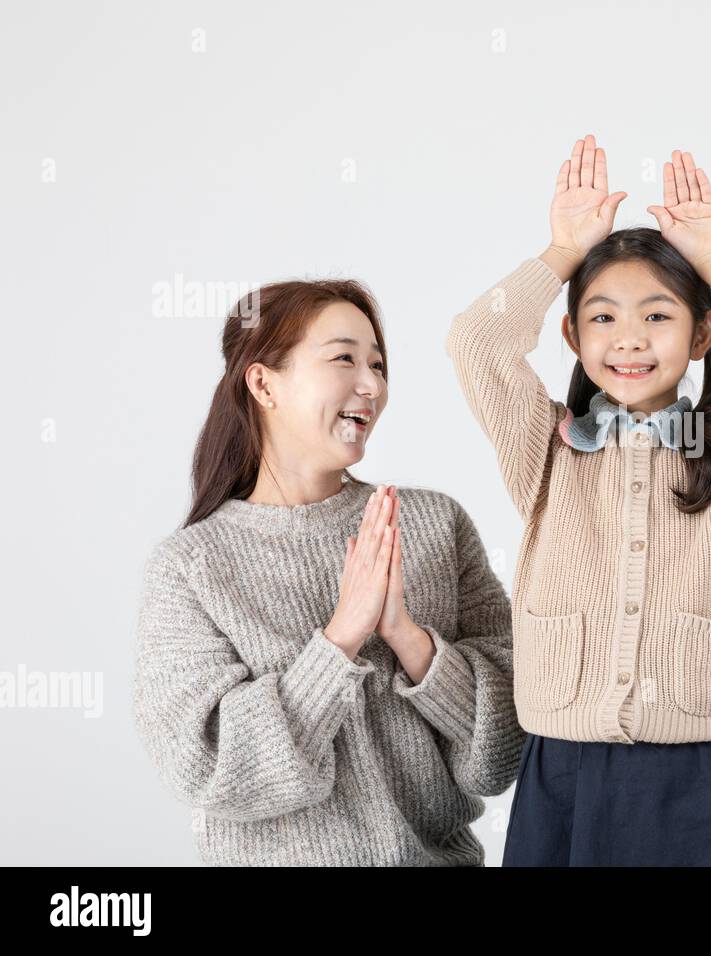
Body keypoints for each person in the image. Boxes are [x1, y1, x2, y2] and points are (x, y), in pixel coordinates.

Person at [446, 133, 711, 865]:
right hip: (564, 771)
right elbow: (476, 340)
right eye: (602, 317)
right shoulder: (545, 449)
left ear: (701, 334)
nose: (629, 338)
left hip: (695, 774)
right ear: (571, 333)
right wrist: (561, 251)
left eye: (657, 315)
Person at [133, 277, 523, 865]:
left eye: (378, 364)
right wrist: (340, 640)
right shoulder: (190, 567)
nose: (371, 385)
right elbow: (208, 769)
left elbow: (505, 750)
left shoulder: (436, 524)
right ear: (264, 383)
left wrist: (411, 642)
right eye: (344, 358)